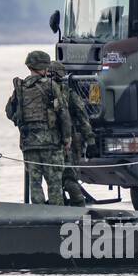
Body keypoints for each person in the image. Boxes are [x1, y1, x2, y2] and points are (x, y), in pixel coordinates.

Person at [4, 50, 71, 204]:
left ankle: (40, 219)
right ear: (44, 67)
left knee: (35, 184)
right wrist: (67, 138)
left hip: (29, 144)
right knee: (54, 185)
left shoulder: (20, 87)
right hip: (51, 144)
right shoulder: (51, 85)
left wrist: (21, 122)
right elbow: (63, 113)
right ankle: (58, 220)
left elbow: (9, 111)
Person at [50, 61, 93, 206]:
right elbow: (82, 117)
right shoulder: (68, 92)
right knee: (69, 177)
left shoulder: (44, 91)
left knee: (56, 178)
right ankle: (79, 206)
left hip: (50, 141)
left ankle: (63, 205)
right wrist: (90, 139)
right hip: (69, 140)